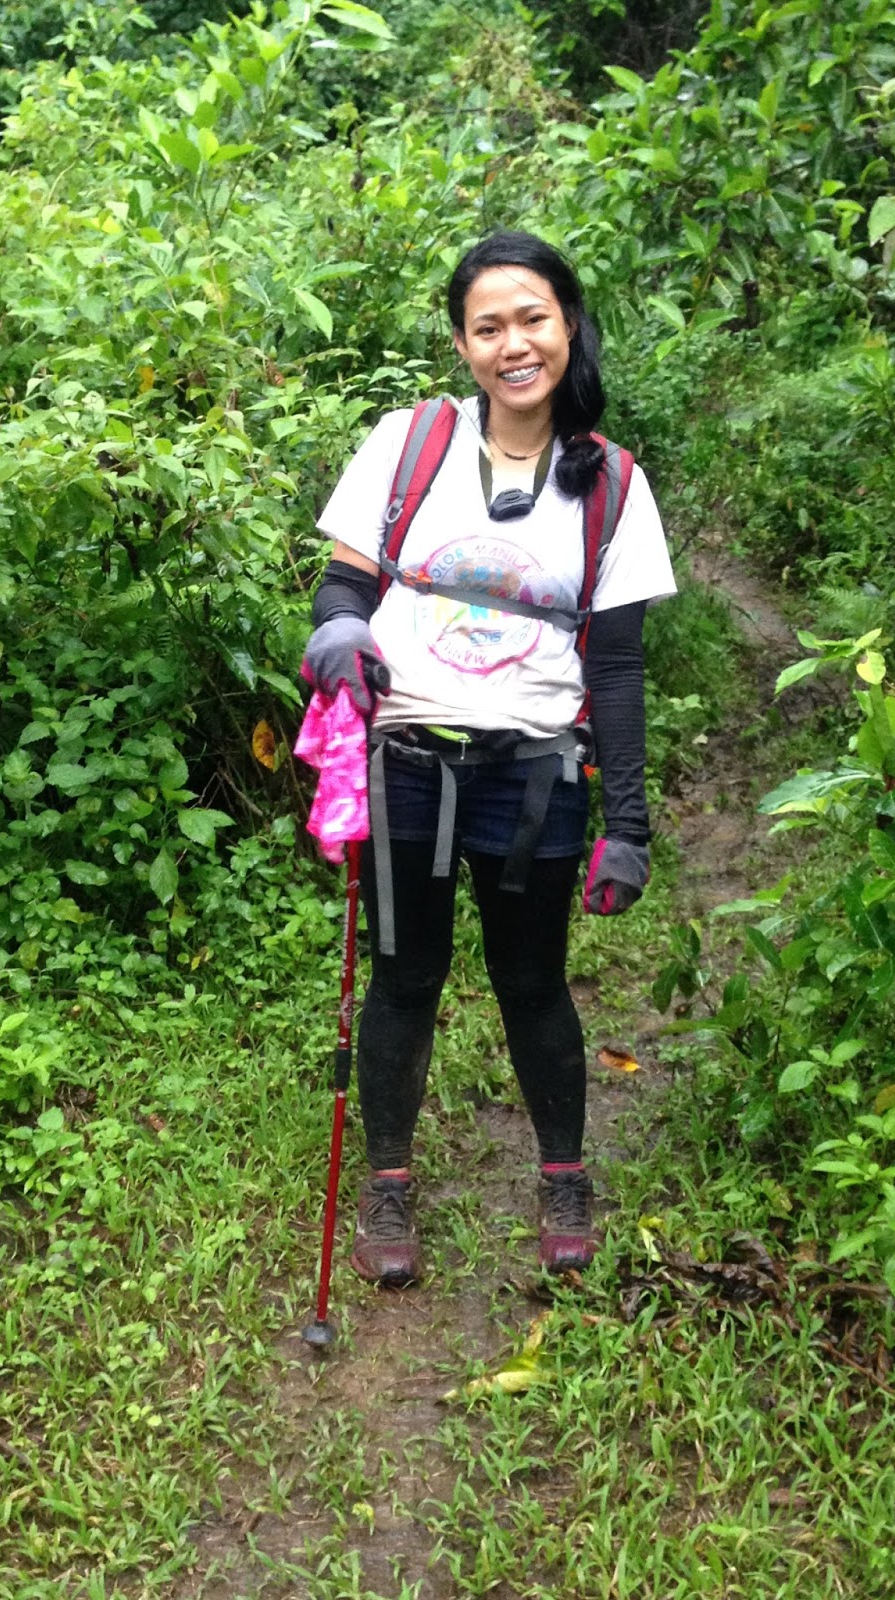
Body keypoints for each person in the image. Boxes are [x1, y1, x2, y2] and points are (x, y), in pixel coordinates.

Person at [302, 229, 675, 1285]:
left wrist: (630, 829)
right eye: (488, 326)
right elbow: (344, 585)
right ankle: (388, 1186)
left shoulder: (611, 485)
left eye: (533, 318)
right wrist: (336, 631)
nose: (514, 343)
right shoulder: (408, 443)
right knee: (403, 975)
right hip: (406, 754)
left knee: (532, 979)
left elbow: (615, 669)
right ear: (463, 344)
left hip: (536, 773)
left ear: (568, 322)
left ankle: (563, 1172)